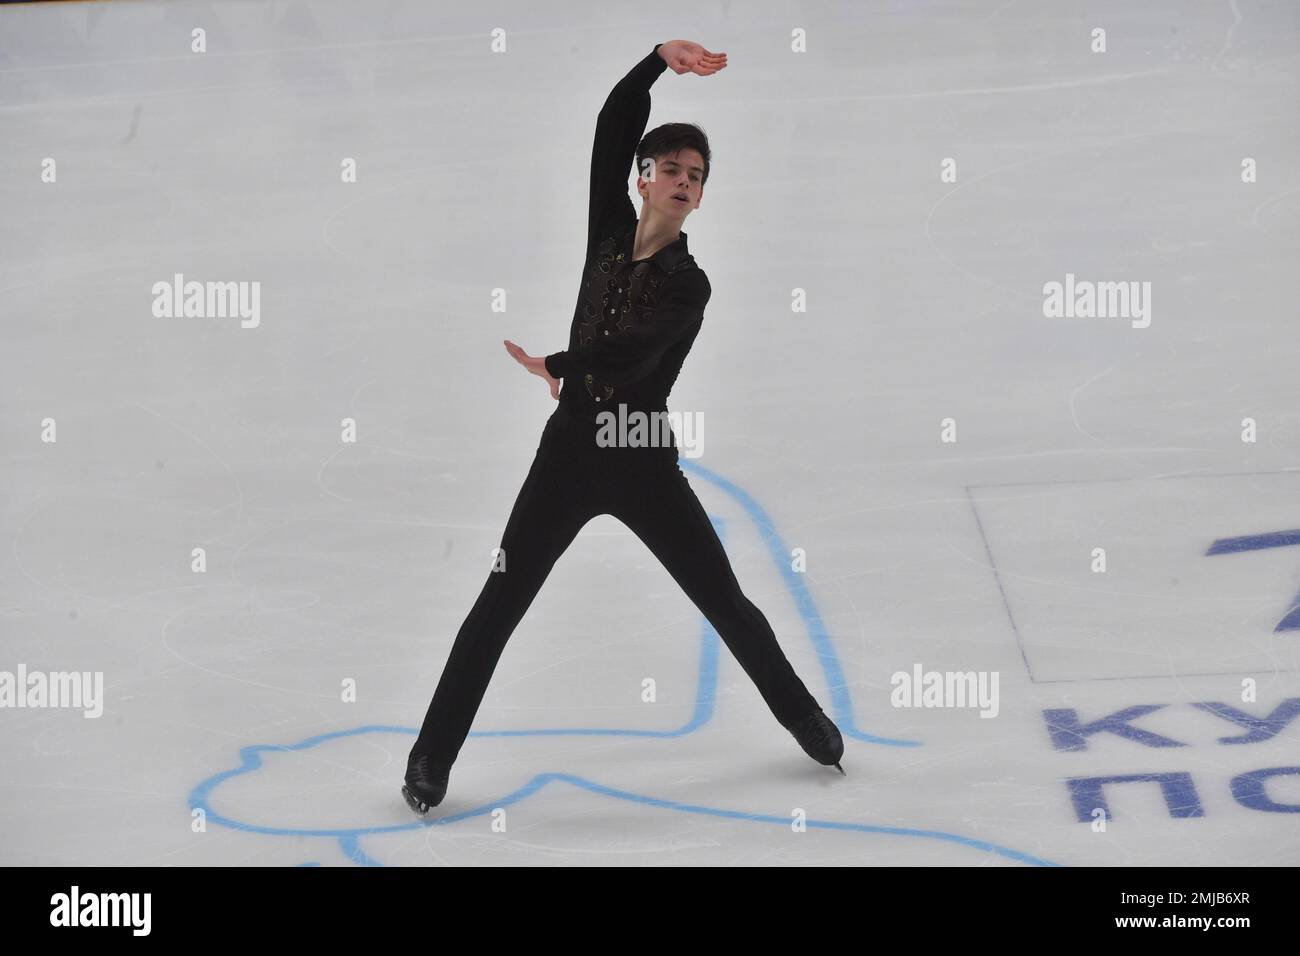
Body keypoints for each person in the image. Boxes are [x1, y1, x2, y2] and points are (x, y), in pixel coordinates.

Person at [403, 39, 844, 815]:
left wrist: (561, 365)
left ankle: (806, 720)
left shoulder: (691, 285)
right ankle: (429, 761)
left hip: (641, 458)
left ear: (702, 198)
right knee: (496, 606)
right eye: (671, 169)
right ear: (646, 179)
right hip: (568, 455)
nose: (682, 182)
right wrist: (654, 62)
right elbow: (613, 123)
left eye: (695, 176)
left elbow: (631, 359)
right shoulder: (606, 231)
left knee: (725, 600)